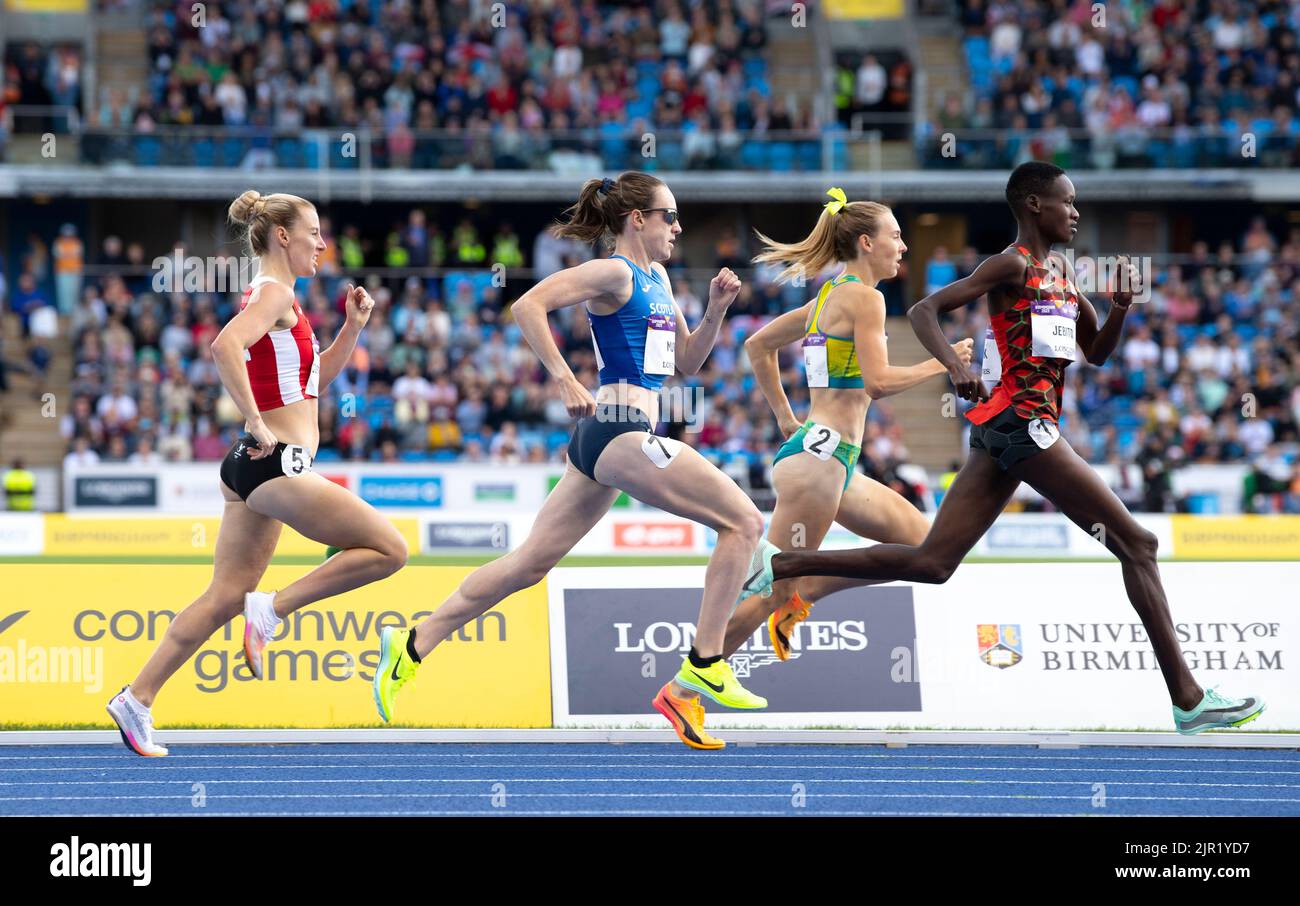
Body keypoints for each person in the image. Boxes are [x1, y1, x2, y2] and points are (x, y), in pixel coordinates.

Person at [740, 162, 1265, 735]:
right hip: (1023, 424)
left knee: (933, 563)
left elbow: (1095, 353)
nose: (1076, 212)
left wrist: (1118, 308)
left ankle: (783, 564)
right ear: (1035, 205)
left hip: (1007, 430)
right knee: (1138, 544)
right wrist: (955, 365)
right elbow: (923, 310)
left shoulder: (1062, 273)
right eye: (1067, 202)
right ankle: (1189, 699)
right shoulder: (1010, 264)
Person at [372, 172, 778, 737]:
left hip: (608, 440)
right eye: (669, 216)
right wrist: (563, 377)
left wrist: (715, 310)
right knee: (744, 522)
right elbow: (528, 305)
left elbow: (686, 362)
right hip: (617, 429)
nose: (678, 227)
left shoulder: (658, 277)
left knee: (528, 565)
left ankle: (412, 644)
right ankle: (706, 663)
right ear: (637, 219)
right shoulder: (615, 271)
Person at [661, 189, 973, 748]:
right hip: (819, 465)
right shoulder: (864, 300)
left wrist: (787, 420)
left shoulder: (829, 294)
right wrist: (942, 363)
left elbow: (757, 345)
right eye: (897, 235)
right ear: (866, 243)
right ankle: (684, 690)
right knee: (766, 589)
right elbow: (878, 383)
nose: (904, 246)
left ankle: (803, 594)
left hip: (830, 460)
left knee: (922, 545)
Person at [106, 190, 408, 756]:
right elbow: (224, 347)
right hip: (276, 462)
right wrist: (254, 419)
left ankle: (136, 698)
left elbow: (312, 384)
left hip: (250, 468)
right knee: (390, 551)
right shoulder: (274, 293)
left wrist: (353, 327)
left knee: (224, 597)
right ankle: (273, 609)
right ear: (283, 236)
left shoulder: (277, 296)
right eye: (314, 233)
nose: (323, 244)